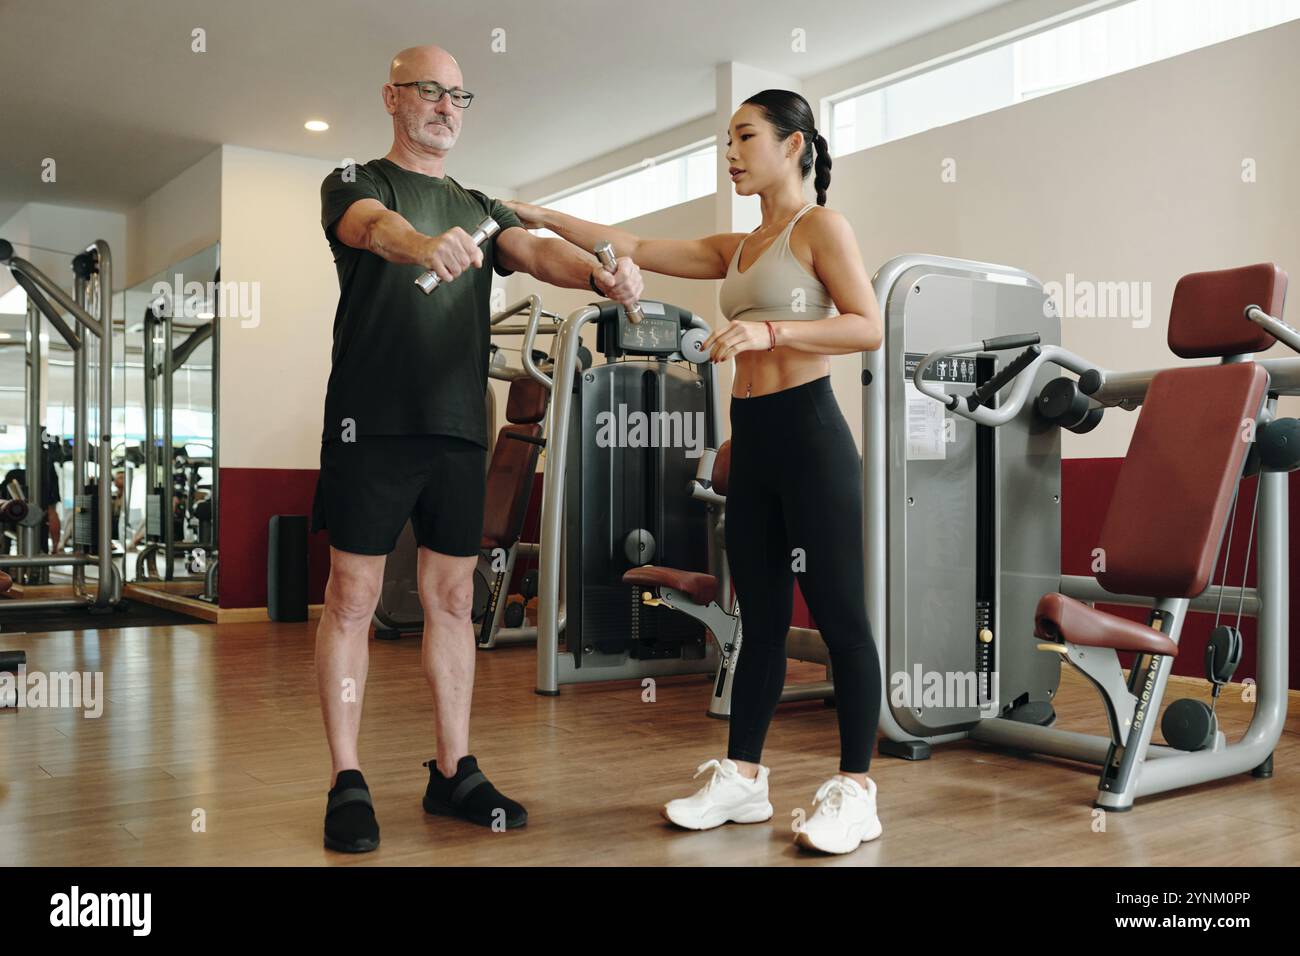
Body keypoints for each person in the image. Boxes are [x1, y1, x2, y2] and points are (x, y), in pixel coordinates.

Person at [505, 89, 885, 855]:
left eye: (746, 137)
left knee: (841, 616)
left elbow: (868, 324)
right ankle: (744, 778)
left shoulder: (822, 229)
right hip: (757, 445)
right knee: (761, 622)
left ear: (795, 144)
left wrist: (769, 328)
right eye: (728, 139)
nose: (733, 151)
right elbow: (630, 243)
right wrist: (538, 216)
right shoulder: (737, 248)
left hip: (812, 438)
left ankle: (857, 789)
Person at [313, 45, 644, 853]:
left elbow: (536, 251)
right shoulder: (356, 180)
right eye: (431, 90)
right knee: (353, 597)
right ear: (393, 96)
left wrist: (601, 276)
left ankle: (453, 769)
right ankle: (347, 778)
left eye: (460, 95)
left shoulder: (477, 201)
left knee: (454, 599)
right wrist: (425, 246)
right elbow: (375, 231)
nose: (447, 106)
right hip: (372, 422)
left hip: (461, 423)